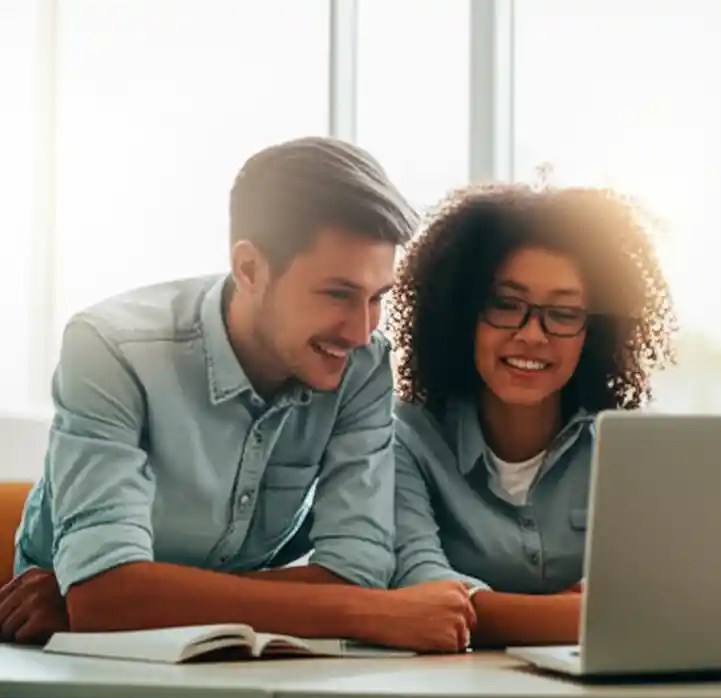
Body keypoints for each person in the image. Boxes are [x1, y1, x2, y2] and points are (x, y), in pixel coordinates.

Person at [0, 137, 475, 652]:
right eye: (337, 293)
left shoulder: (361, 365)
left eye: (377, 298)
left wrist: (133, 596)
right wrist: (109, 596)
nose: (361, 331)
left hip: (240, 664)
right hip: (73, 667)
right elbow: (105, 600)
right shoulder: (110, 348)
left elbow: (353, 573)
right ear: (249, 269)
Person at [388, 184, 677, 647]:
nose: (533, 335)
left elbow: (665, 597)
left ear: (594, 330)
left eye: (563, 313)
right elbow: (422, 591)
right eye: (506, 305)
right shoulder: (403, 438)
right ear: (463, 313)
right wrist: (579, 612)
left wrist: (503, 613)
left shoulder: (634, 446)